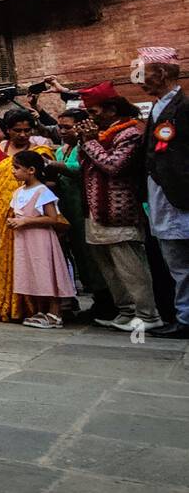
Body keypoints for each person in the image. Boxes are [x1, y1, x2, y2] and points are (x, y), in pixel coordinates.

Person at [76, 82, 160, 332]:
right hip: (95, 210)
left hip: (120, 210)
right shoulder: (100, 135)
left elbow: (114, 165)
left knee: (130, 266)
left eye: (94, 112)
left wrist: (90, 143)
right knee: (109, 268)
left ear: (112, 110)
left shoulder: (130, 133)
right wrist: (86, 142)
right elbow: (86, 165)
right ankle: (126, 311)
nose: (91, 119)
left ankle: (147, 315)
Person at [0, 108, 55, 321]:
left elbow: (49, 181)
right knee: (6, 257)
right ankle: (9, 305)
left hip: (34, 215)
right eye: (17, 130)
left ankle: (38, 308)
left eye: (27, 130)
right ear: (7, 130)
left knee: (35, 258)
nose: (22, 135)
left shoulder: (40, 150)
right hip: (3, 214)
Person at [138, 47, 189, 339]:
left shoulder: (182, 107)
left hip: (179, 194)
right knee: (178, 265)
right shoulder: (159, 107)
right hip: (162, 195)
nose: (140, 81)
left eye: (143, 74)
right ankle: (183, 316)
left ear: (161, 73)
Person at [7, 150, 74, 329]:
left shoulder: (42, 190)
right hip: (25, 239)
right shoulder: (19, 191)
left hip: (41, 238)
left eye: (17, 168)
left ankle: (55, 312)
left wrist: (26, 220)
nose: (13, 171)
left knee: (46, 272)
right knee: (32, 272)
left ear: (31, 170)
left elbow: (52, 218)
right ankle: (41, 310)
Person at [48, 109, 106, 313]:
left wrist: (53, 165)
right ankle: (92, 296)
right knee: (78, 254)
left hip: (85, 206)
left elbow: (81, 170)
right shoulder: (61, 149)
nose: (62, 131)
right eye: (60, 127)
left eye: (67, 127)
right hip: (66, 208)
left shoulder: (87, 146)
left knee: (92, 254)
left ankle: (105, 299)